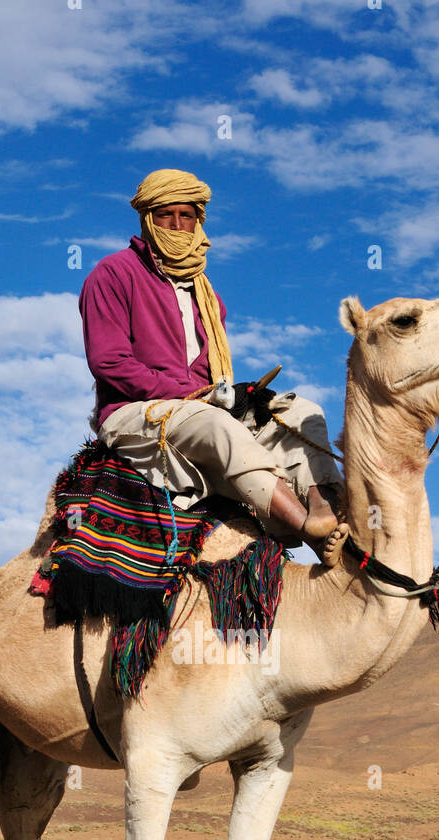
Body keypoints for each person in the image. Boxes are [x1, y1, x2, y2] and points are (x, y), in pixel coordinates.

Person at [79, 168, 347, 565]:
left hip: (201, 407)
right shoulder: (113, 274)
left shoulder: (208, 295)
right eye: (165, 215)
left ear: (198, 221)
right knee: (217, 425)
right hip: (134, 412)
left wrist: (237, 395)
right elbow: (109, 362)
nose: (177, 225)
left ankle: (325, 511)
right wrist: (194, 395)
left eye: (186, 215)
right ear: (147, 219)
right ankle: (306, 529)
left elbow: (211, 377)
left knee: (300, 411)